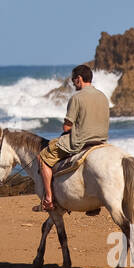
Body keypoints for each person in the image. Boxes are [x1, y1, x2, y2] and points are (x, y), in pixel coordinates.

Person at [39, 64, 108, 211]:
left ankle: (49, 199)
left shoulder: (77, 97)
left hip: (81, 141)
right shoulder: (103, 96)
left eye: (73, 80)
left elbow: (67, 127)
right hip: (102, 141)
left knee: (43, 158)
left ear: (79, 79)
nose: (73, 83)